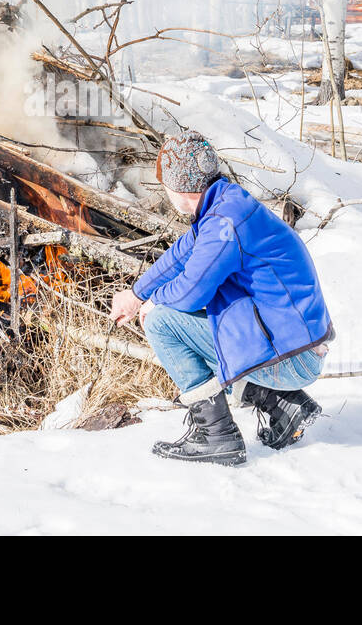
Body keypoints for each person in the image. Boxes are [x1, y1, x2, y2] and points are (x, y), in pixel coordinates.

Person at [110, 131, 333, 466]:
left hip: (291, 357)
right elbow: (181, 255)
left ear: (178, 187)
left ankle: (216, 436)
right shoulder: (226, 205)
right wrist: (135, 293)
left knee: (161, 322)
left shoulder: (223, 223)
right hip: (297, 345)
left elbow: (192, 292)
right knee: (190, 321)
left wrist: (152, 303)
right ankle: (285, 406)